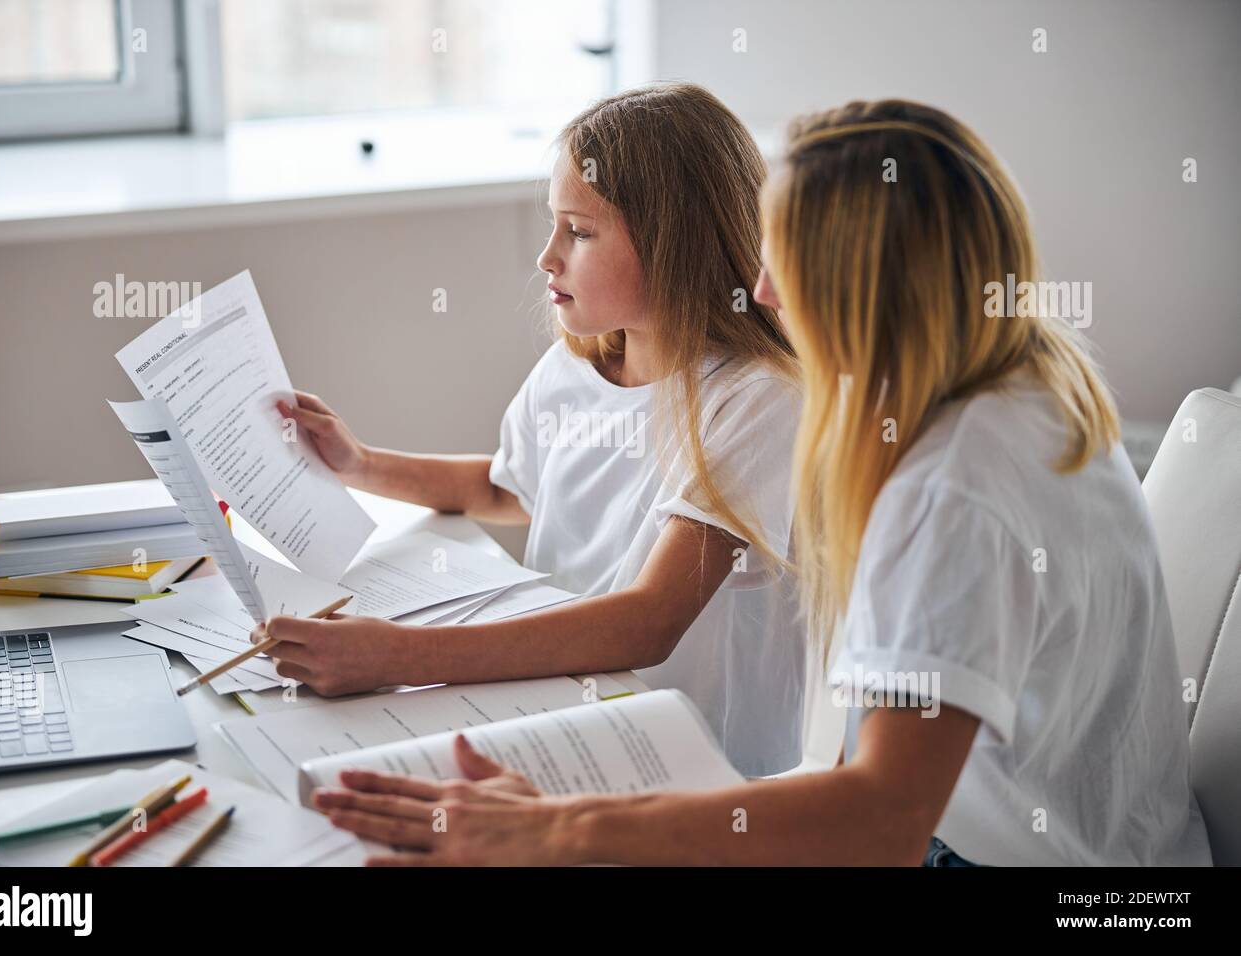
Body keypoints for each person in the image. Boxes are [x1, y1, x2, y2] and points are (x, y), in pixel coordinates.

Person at [312, 99, 1212, 866]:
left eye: (787, 259)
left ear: (863, 289)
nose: (764, 290)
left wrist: (562, 829)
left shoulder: (948, 488)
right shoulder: (1025, 377)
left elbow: (882, 822)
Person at [257, 83, 806, 777]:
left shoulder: (757, 402)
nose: (547, 256)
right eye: (554, 225)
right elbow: (504, 487)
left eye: (578, 232)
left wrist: (400, 655)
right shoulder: (576, 369)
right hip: (556, 718)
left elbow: (648, 622)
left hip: (689, 770)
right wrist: (360, 462)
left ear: (675, 244)